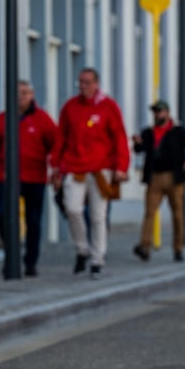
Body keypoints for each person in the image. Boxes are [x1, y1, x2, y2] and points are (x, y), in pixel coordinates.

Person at [52, 68, 130, 279]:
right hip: (74, 167)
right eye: (80, 82)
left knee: (98, 216)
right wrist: (56, 165)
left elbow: (119, 138)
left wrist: (121, 167)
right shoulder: (70, 107)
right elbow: (61, 138)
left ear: (96, 83)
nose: (83, 86)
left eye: (87, 82)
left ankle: (97, 260)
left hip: (100, 170)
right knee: (72, 209)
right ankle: (82, 248)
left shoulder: (108, 107)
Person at [0, 80, 58, 276]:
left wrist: (57, 170)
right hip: (7, 177)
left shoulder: (43, 119)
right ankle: (11, 254)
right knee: (4, 215)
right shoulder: (1, 120)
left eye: (25, 93)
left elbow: (56, 145)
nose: (21, 97)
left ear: (32, 95)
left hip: (35, 178)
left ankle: (31, 261)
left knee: (33, 221)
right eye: (17, 93)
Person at [131, 100, 185, 263]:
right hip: (155, 177)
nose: (157, 115)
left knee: (177, 214)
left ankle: (178, 248)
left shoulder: (178, 131)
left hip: (174, 177)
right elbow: (139, 150)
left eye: (160, 111)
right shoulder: (149, 132)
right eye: (155, 112)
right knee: (150, 212)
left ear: (167, 113)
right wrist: (138, 144)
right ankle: (144, 246)